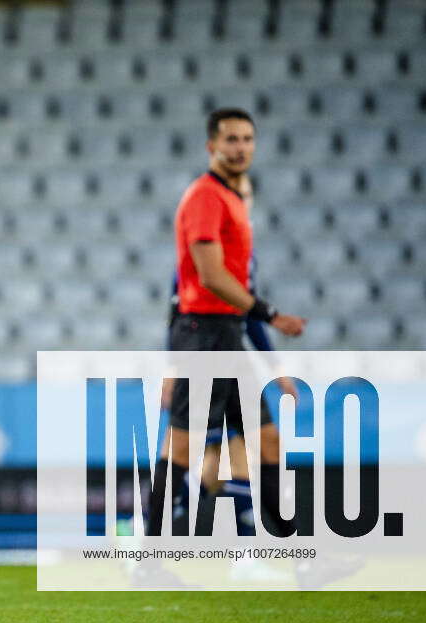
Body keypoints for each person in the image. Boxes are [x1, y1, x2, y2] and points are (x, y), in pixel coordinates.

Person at [134, 108, 306, 587]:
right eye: (231, 139)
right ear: (213, 146)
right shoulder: (206, 199)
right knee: (191, 450)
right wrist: (271, 316)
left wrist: (272, 362)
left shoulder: (234, 209)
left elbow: (233, 297)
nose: (241, 147)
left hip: (225, 335)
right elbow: (201, 282)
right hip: (203, 335)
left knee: (259, 441)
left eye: (248, 139)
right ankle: (150, 562)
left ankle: (293, 556)